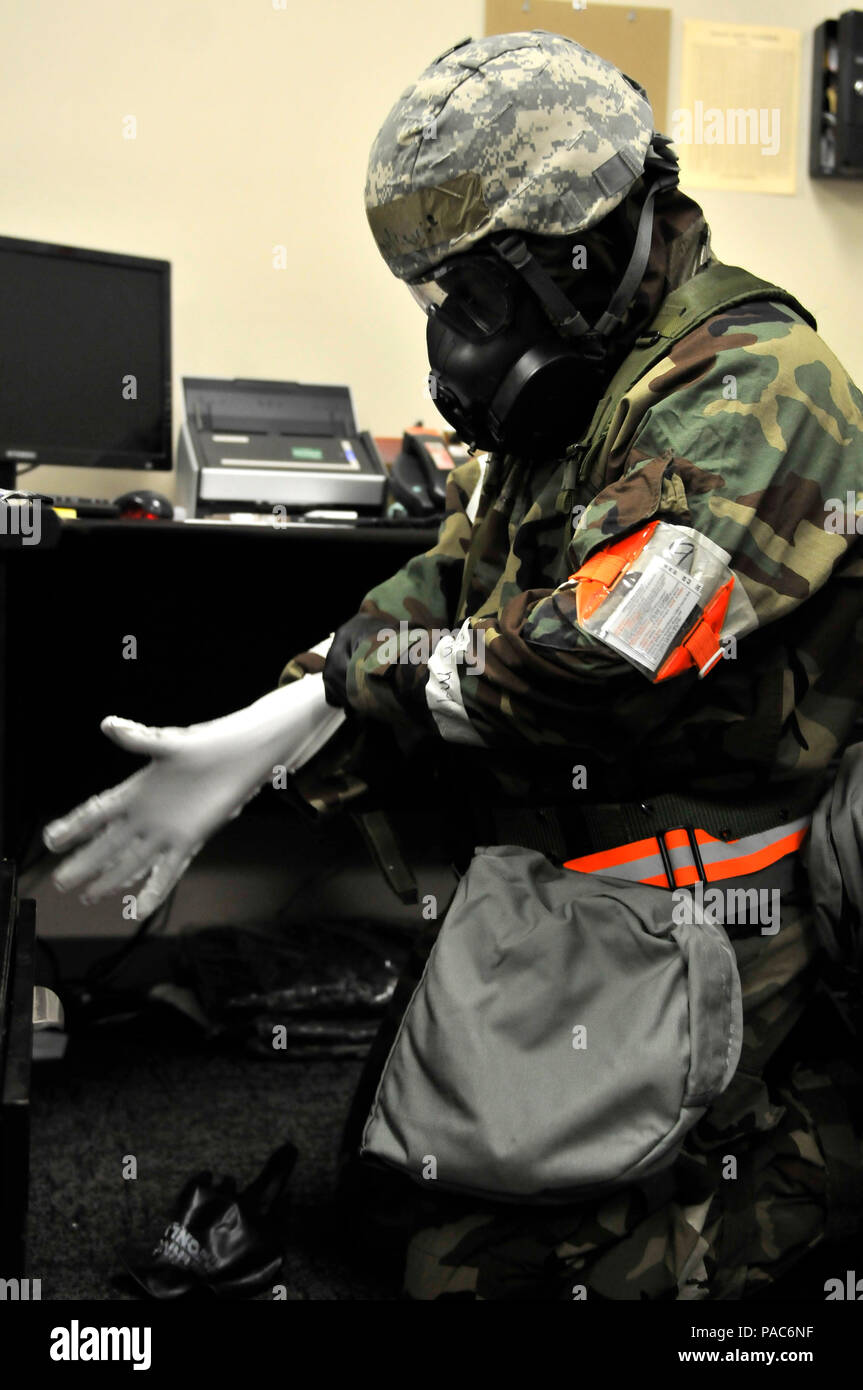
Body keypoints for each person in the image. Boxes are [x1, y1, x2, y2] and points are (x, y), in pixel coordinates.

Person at [44, 32, 863, 1300]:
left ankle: (819, 1128)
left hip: (723, 892)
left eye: (471, 306)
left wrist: (330, 698)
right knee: (392, 1182)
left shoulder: (759, 390)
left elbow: (582, 657)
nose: (451, 352)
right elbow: (449, 581)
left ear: (580, 257)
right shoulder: (590, 388)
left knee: (461, 1274)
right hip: (583, 872)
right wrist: (280, 708)